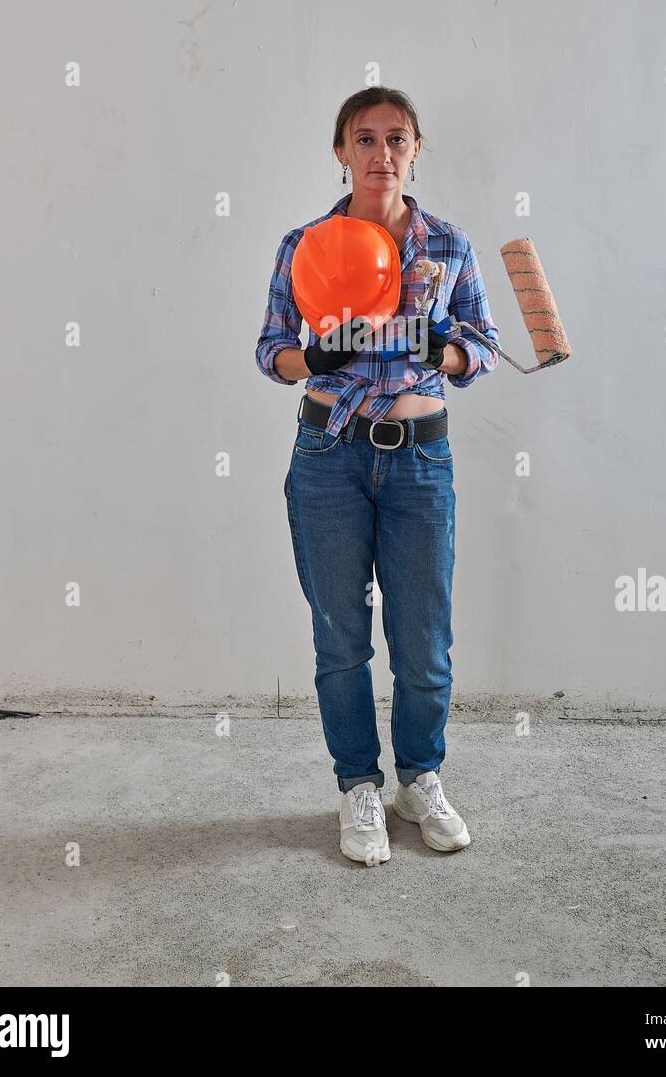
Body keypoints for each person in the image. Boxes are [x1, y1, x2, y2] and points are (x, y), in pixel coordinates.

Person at [255, 87, 500, 865]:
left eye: (397, 138)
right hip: (329, 456)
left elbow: (486, 345)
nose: (380, 153)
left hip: (421, 459)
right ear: (340, 151)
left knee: (424, 642)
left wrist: (447, 352)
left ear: (416, 150)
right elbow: (270, 350)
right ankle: (358, 786)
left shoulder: (449, 246)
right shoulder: (305, 245)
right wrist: (312, 358)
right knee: (341, 639)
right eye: (364, 139)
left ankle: (419, 779)